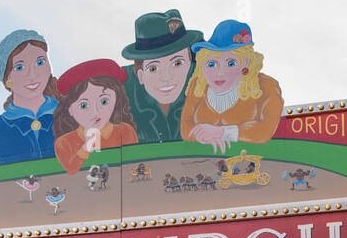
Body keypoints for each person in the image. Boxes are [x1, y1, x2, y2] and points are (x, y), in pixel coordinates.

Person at [179, 20, 283, 153]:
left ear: (246, 62)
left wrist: (221, 132)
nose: (219, 73)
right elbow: (185, 127)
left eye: (231, 63)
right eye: (211, 64)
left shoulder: (266, 86)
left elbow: (265, 129)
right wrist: (201, 135)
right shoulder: (198, 86)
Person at [0, 30, 59, 169]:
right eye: (19, 67)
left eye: (40, 62)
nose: (32, 75)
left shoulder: (72, 115)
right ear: (7, 79)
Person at [121, 9, 202, 143]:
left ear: (190, 64)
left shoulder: (208, 85)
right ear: (140, 75)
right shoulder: (122, 94)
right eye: (153, 68)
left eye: (177, 63)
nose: (166, 77)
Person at [51, 59, 139, 174]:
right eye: (83, 105)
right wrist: (87, 146)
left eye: (104, 102)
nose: (95, 112)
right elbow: (71, 169)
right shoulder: (64, 142)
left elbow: (132, 163)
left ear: (116, 100)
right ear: (70, 109)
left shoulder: (125, 131)